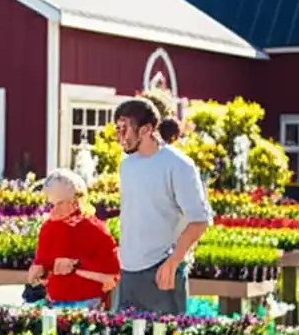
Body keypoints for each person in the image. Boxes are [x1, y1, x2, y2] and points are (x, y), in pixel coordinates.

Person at [112, 98, 213, 315]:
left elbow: (200, 220)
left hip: (162, 271)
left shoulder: (178, 165)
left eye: (125, 129)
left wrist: (174, 261)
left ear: (147, 129)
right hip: (128, 272)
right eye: (117, 129)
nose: (120, 137)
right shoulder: (126, 165)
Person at [27, 169, 121, 309]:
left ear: (76, 201)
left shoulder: (94, 229)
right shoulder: (48, 228)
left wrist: (75, 266)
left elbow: (113, 276)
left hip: (87, 302)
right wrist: (38, 272)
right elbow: (43, 269)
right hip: (55, 302)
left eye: (59, 204)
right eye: (50, 204)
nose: (53, 210)